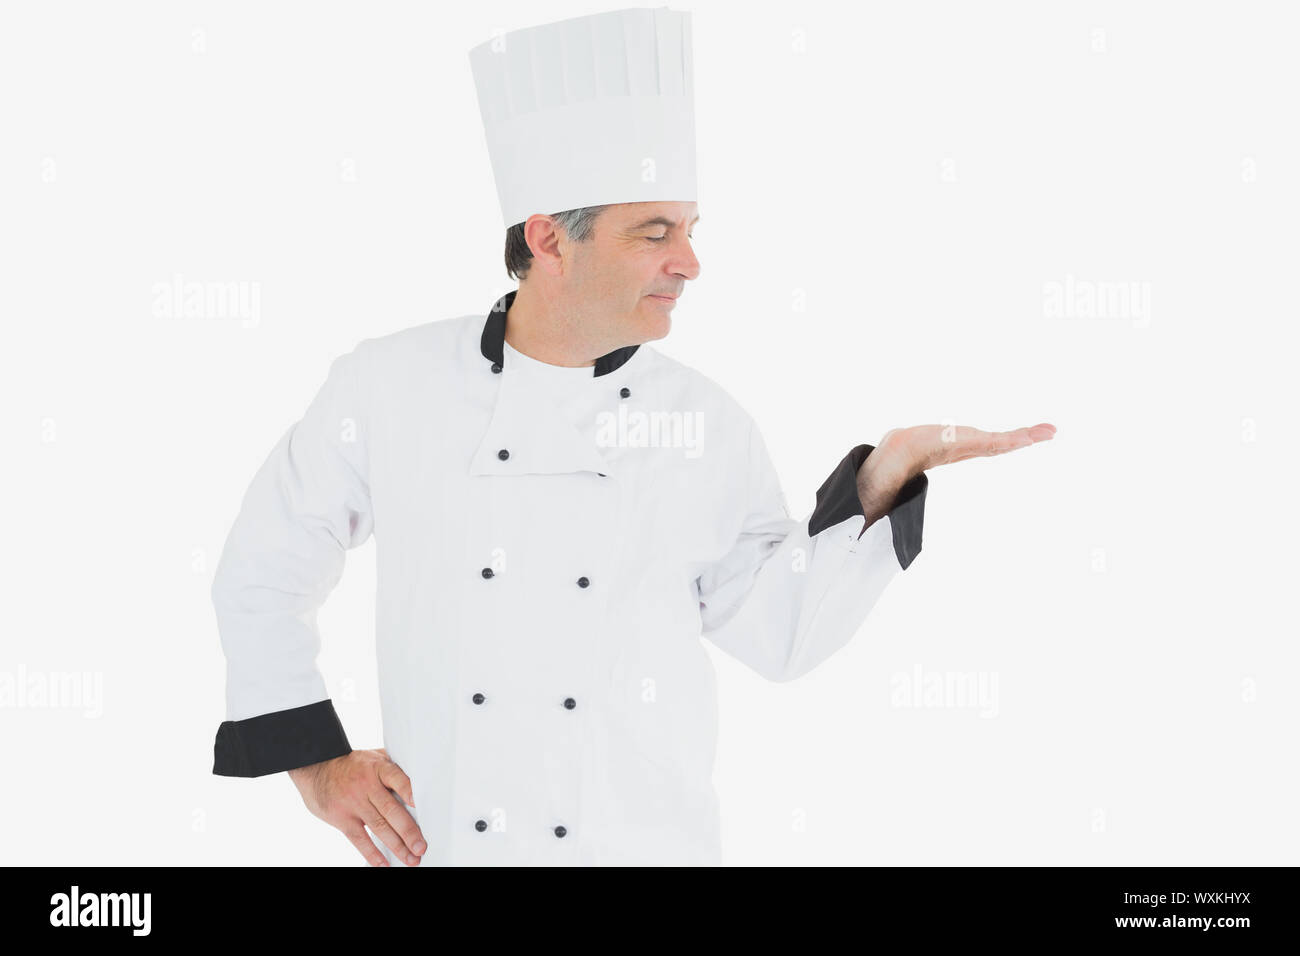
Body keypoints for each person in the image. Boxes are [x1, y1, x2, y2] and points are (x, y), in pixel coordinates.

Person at [209, 6, 1055, 866]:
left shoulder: (707, 424)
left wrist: (884, 478)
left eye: (689, 230)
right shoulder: (388, 385)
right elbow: (264, 567)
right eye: (655, 232)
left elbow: (781, 634)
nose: (689, 262)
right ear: (550, 240)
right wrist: (313, 761)